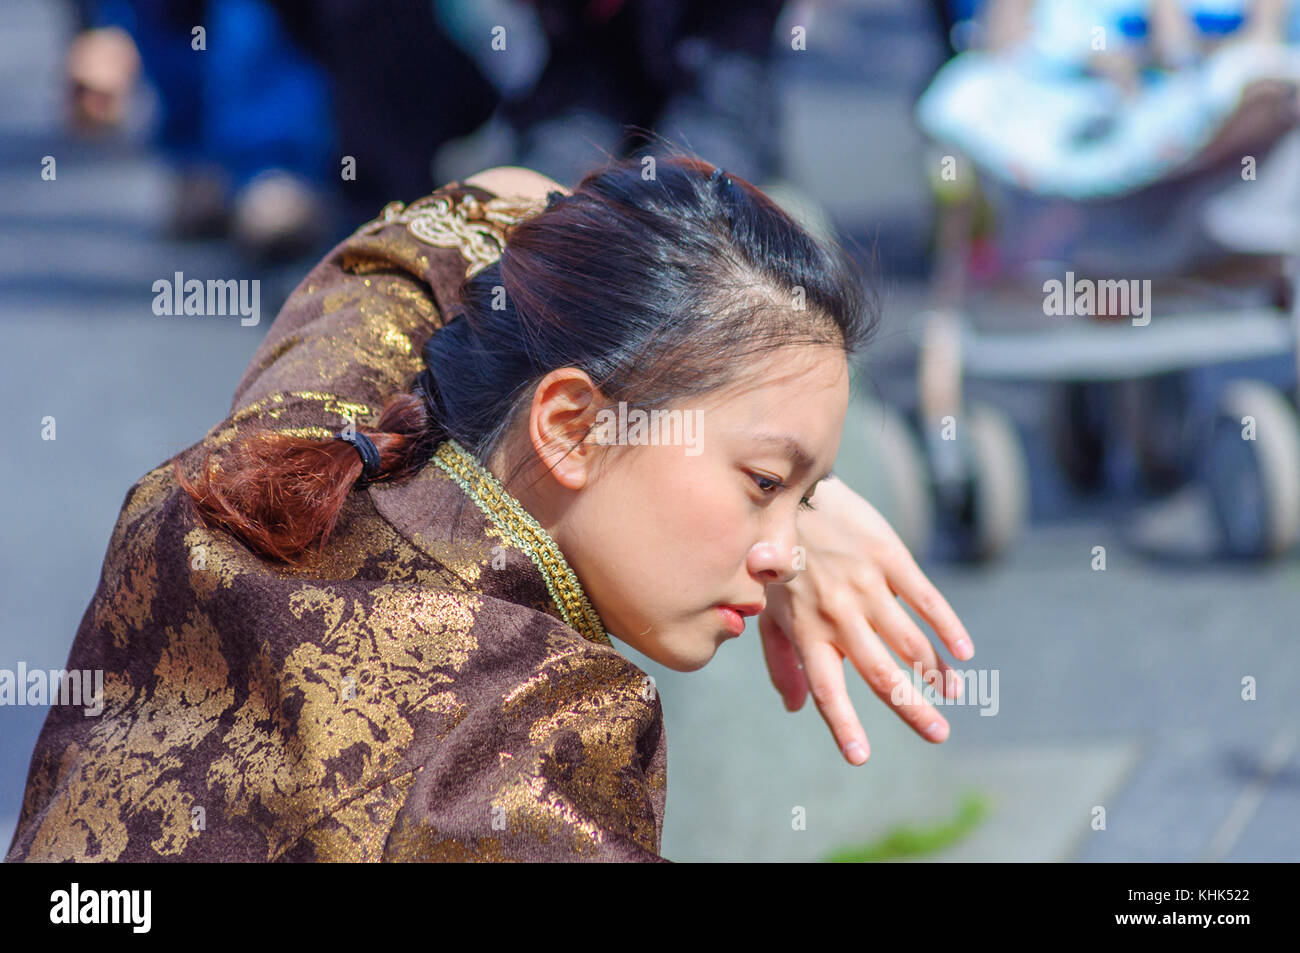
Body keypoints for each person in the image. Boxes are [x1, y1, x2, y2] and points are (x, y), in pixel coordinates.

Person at [5, 155, 972, 862]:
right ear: (574, 425)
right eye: (763, 482)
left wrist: (796, 492)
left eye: (802, 500)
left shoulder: (280, 447)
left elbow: (496, 193)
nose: (786, 553)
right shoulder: (535, 723)